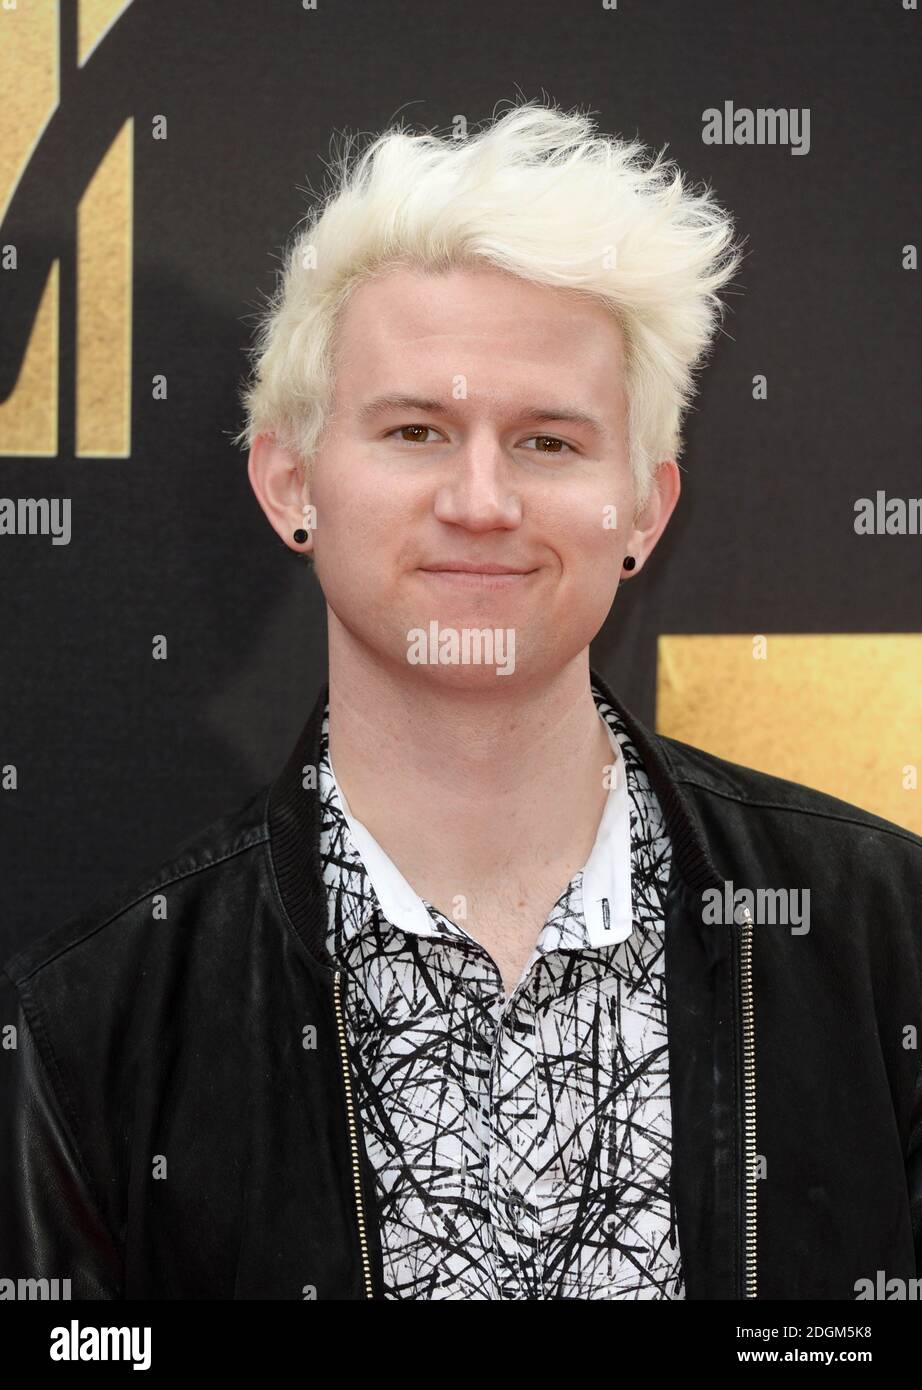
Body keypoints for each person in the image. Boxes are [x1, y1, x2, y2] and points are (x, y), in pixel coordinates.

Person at [2, 100, 921, 1301]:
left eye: (547, 443)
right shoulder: (90, 1026)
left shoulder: (882, 943)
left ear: (643, 507)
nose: (481, 501)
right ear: (290, 482)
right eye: (417, 429)